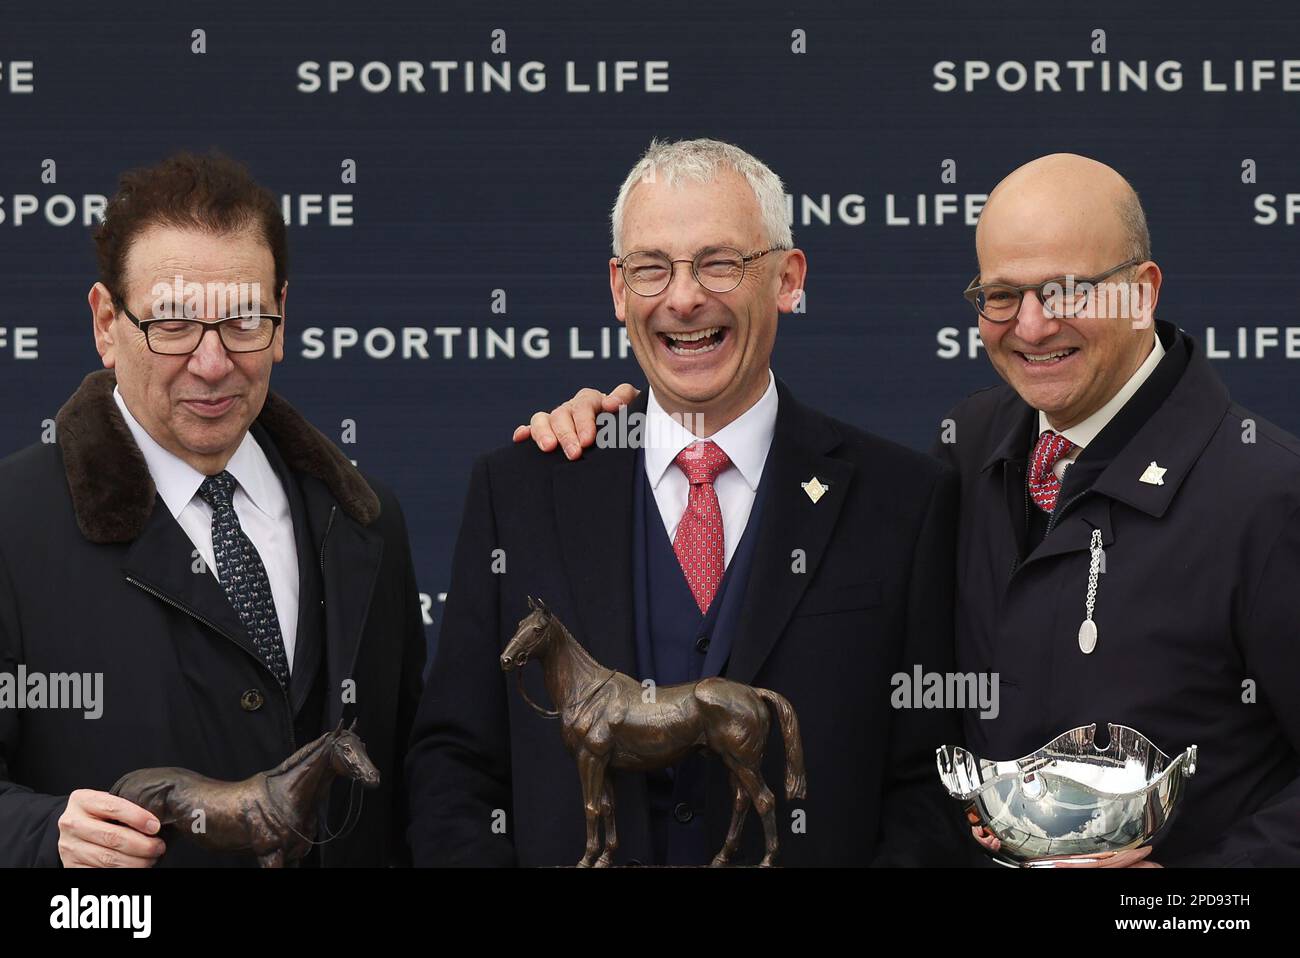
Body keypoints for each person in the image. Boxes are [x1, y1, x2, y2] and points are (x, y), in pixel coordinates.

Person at [531, 153, 1300, 866]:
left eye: (1067, 290)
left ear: (1143, 292)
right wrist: (617, 438)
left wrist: (1187, 907)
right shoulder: (967, 451)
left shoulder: (1267, 496)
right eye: (1001, 296)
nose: (1032, 325)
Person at [406, 138, 965, 866]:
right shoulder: (519, 492)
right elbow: (455, 765)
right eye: (651, 268)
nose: (683, 296)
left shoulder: (904, 503)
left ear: (788, 279)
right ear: (617, 289)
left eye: (720, 262)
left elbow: (930, 787)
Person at [0, 151, 426, 867]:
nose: (211, 362)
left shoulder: (366, 521)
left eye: (244, 320)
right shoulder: (12, 528)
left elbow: (423, 785)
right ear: (107, 323)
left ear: (283, 318)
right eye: (172, 324)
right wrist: (50, 838)